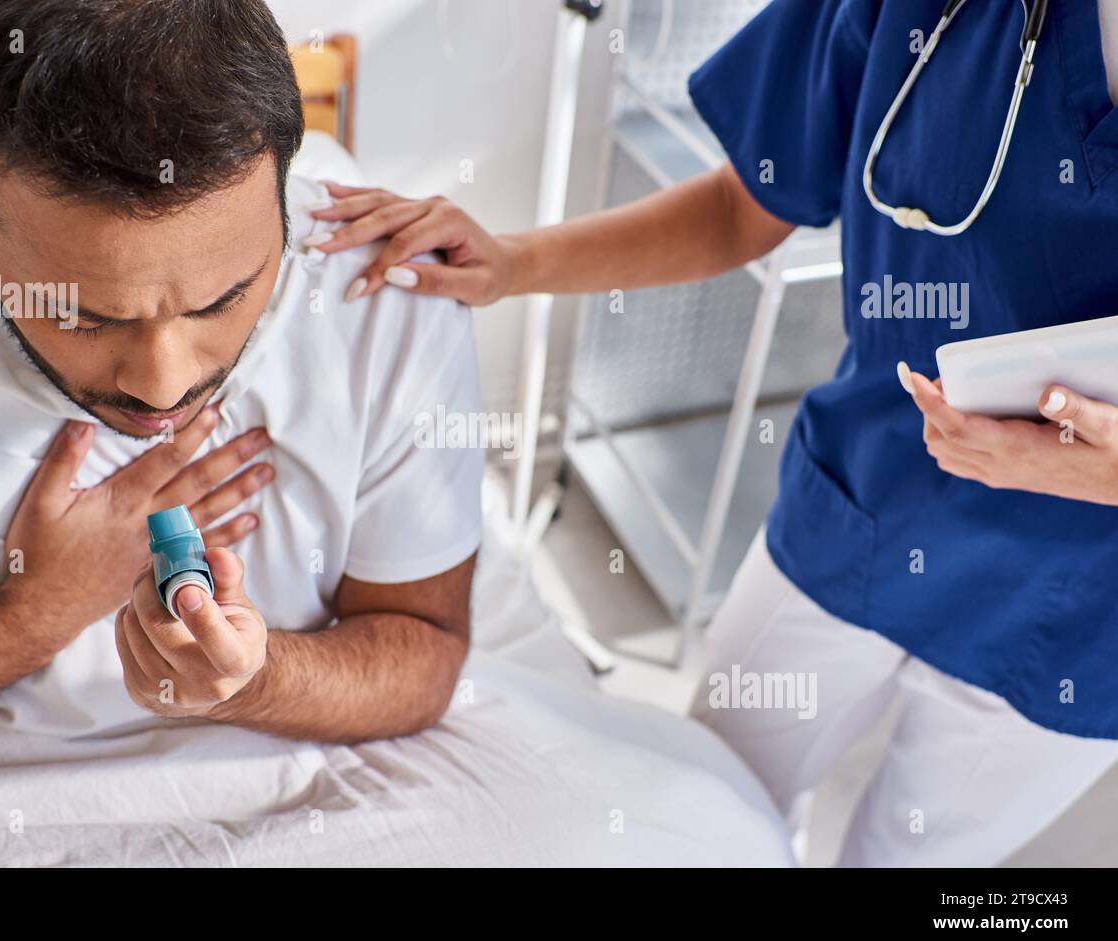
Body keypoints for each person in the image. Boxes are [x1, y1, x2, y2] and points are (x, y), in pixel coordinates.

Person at [308, 0, 1118, 866]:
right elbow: (743, 208)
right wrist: (512, 263)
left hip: (1083, 617)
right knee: (702, 810)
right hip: (870, 498)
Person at [0, 0, 483, 791]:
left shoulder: (386, 293)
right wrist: (29, 617)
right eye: (85, 315)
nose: (163, 388)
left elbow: (426, 650)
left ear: (281, 193)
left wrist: (254, 677)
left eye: (221, 299)